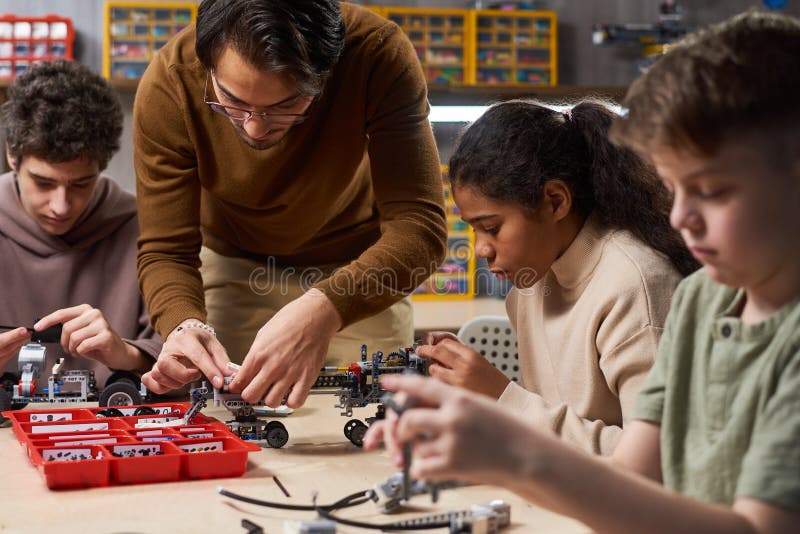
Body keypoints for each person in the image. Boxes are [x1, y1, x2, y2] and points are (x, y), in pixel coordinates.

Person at [365, 11, 800, 531]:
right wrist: (496, 445)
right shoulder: (700, 299)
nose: (681, 217)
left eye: (711, 190)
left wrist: (512, 442)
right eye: (674, 189)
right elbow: (632, 478)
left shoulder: (659, 289)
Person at [133, 0, 447, 408]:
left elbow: (419, 226)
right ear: (207, 64)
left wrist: (328, 306)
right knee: (231, 416)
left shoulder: (376, 54)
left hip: (359, 268)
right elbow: (166, 249)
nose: (254, 128)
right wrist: (183, 324)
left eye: (285, 106)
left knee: (372, 418)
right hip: (235, 265)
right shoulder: (171, 82)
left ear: (326, 72)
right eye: (232, 101)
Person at [416, 99, 697, 454]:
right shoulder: (533, 283)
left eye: (491, 227)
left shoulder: (636, 286)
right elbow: (555, 419)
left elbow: (661, 460)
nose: (480, 250)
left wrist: (503, 399)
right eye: (474, 229)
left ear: (555, 201)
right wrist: (472, 388)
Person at [0, 60, 162, 389]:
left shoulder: (143, 227)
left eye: (80, 184)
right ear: (11, 157)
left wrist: (126, 354)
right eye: (43, 183)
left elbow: (181, 364)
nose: (61, 206)